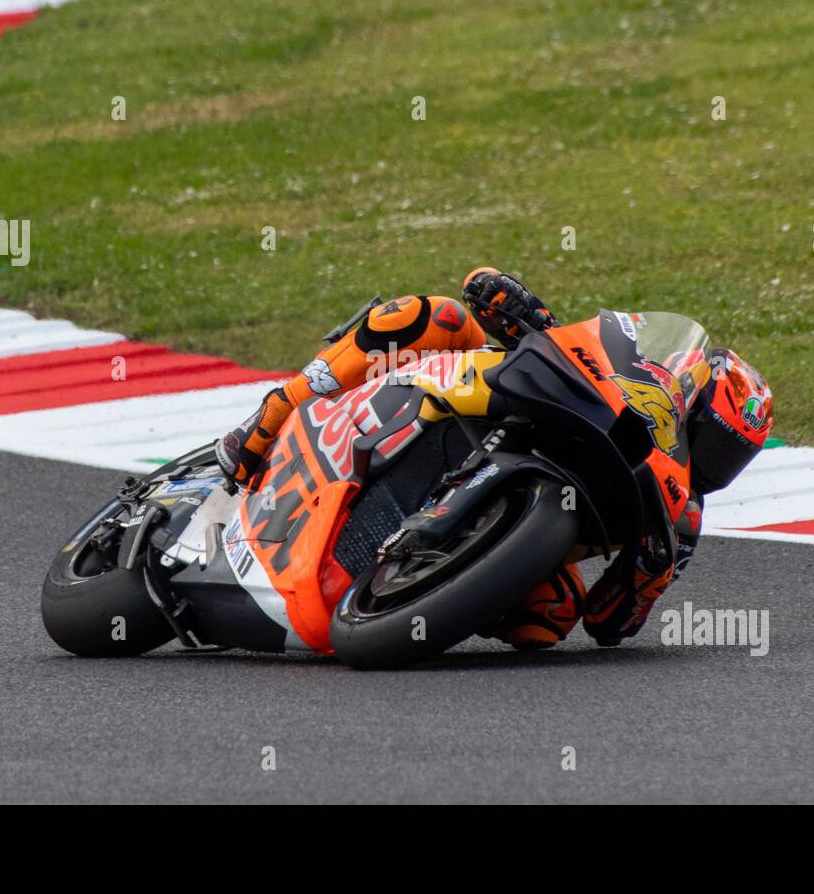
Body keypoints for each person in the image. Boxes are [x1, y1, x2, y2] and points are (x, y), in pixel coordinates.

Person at [214, 267, 771, 649]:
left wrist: (649, 574)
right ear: (689, 400)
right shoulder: (630, 372)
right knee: (433, 316)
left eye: (732, 457)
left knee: (548, 621)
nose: (717, 464)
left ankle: (430, 587)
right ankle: (271, 414)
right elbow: (483, 283)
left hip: (536, 509)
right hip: (465, 391)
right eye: (715, 439)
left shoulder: (681, 519)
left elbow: (609, 622)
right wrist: (521, 308)